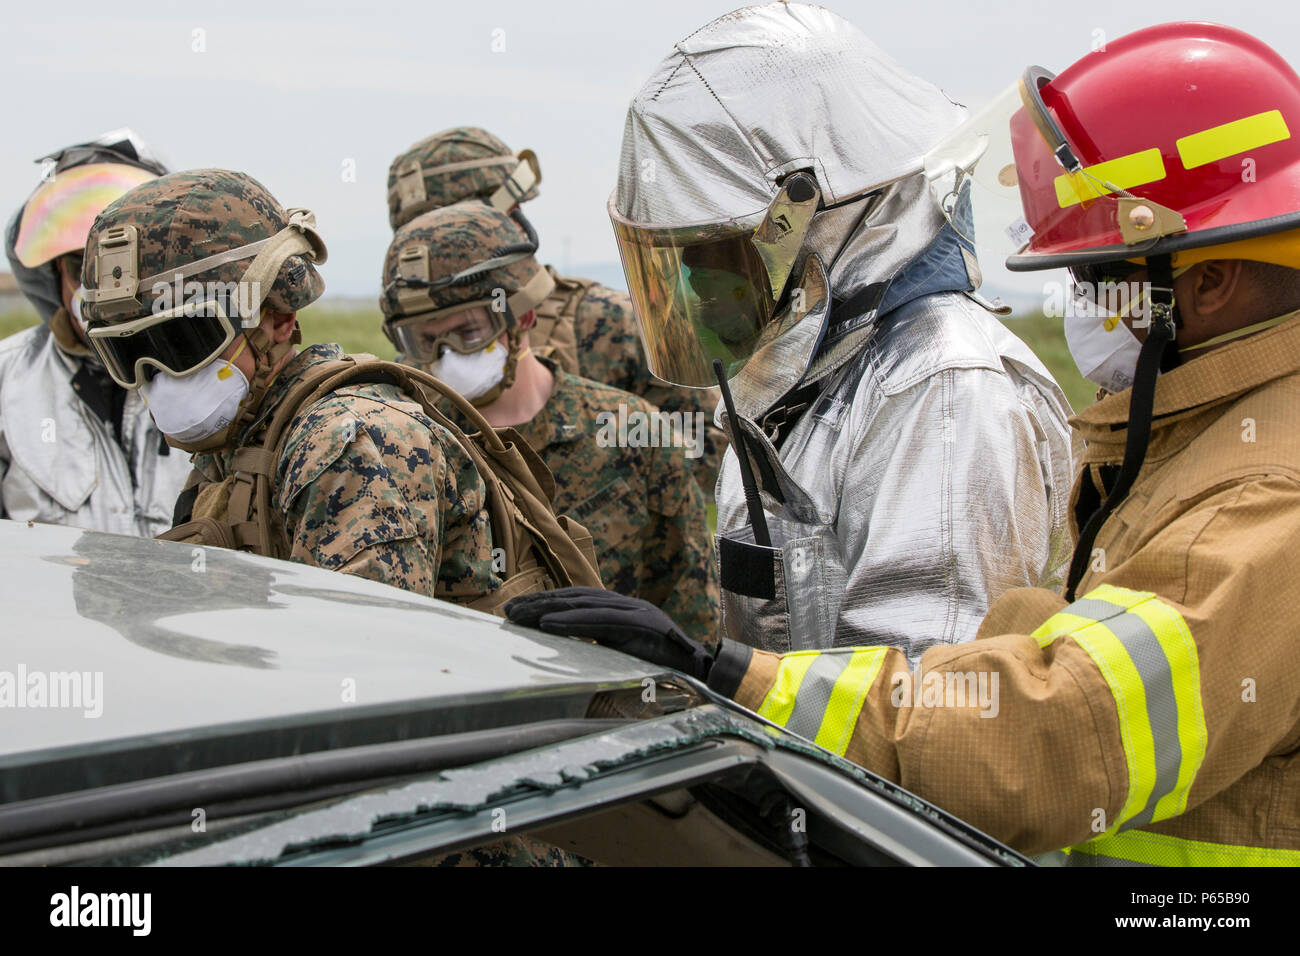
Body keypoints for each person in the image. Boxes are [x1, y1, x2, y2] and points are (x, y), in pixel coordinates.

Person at [509, 21, 1300, 866]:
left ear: (1209, 281)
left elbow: (1044, 737)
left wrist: (726, 678)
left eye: (1097, 274)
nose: (1079, 306)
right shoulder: (1195, 443)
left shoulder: (1255, 494)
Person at [601, 3, 1074, 659]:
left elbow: (921, 708)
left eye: (712, 258)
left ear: (803, 219)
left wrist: (721, 676)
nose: (699, 288)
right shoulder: (804, 381)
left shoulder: (944, 386)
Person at [80, 169, 598, 611]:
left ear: (277, 318)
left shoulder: (349, 442)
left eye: (180, 340)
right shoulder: (244, 442)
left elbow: (359, 673)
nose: (158, 374)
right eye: (129, 353)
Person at [379, 201, 719, 643]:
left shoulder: (631, 433)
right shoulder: (401, 437)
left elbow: (692, 620)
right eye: (424, 339)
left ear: (523, 317)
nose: (446, 355)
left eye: (467, 334)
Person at [385, 126, 725, 497]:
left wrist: (608, 443)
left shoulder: (614, 322)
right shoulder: (422, 354)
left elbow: (715, 457)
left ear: (512, 216)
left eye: (457, 228)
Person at [0, 130, 191, 535]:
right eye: (80, 265)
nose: (100, 291)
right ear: (54, 273)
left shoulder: (211, 376)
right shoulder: (7, 385)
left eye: (117, 269)